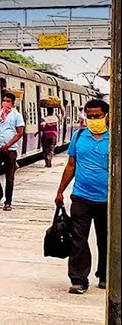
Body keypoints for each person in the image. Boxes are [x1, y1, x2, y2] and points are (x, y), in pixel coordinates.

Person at [54, 99, 111, 294]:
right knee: (78, 238)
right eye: (90, 116)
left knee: (106, 239)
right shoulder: (79, 136)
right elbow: (71, 165)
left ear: (107, 116)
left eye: (98, 116)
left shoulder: (114, 138)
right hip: (81, 196)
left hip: (107, 200)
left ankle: (105, 275)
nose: (93, 120)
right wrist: (60, 191)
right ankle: (78, 279)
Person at [0, 91, 25, 211]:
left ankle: (8, 202)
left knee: (9, 177)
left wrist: (8, 144)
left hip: (11, 150)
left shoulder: (17, 116)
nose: (5, 103)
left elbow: (20, 133)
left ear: (12, 104)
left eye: (8, 101)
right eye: (4, 101)